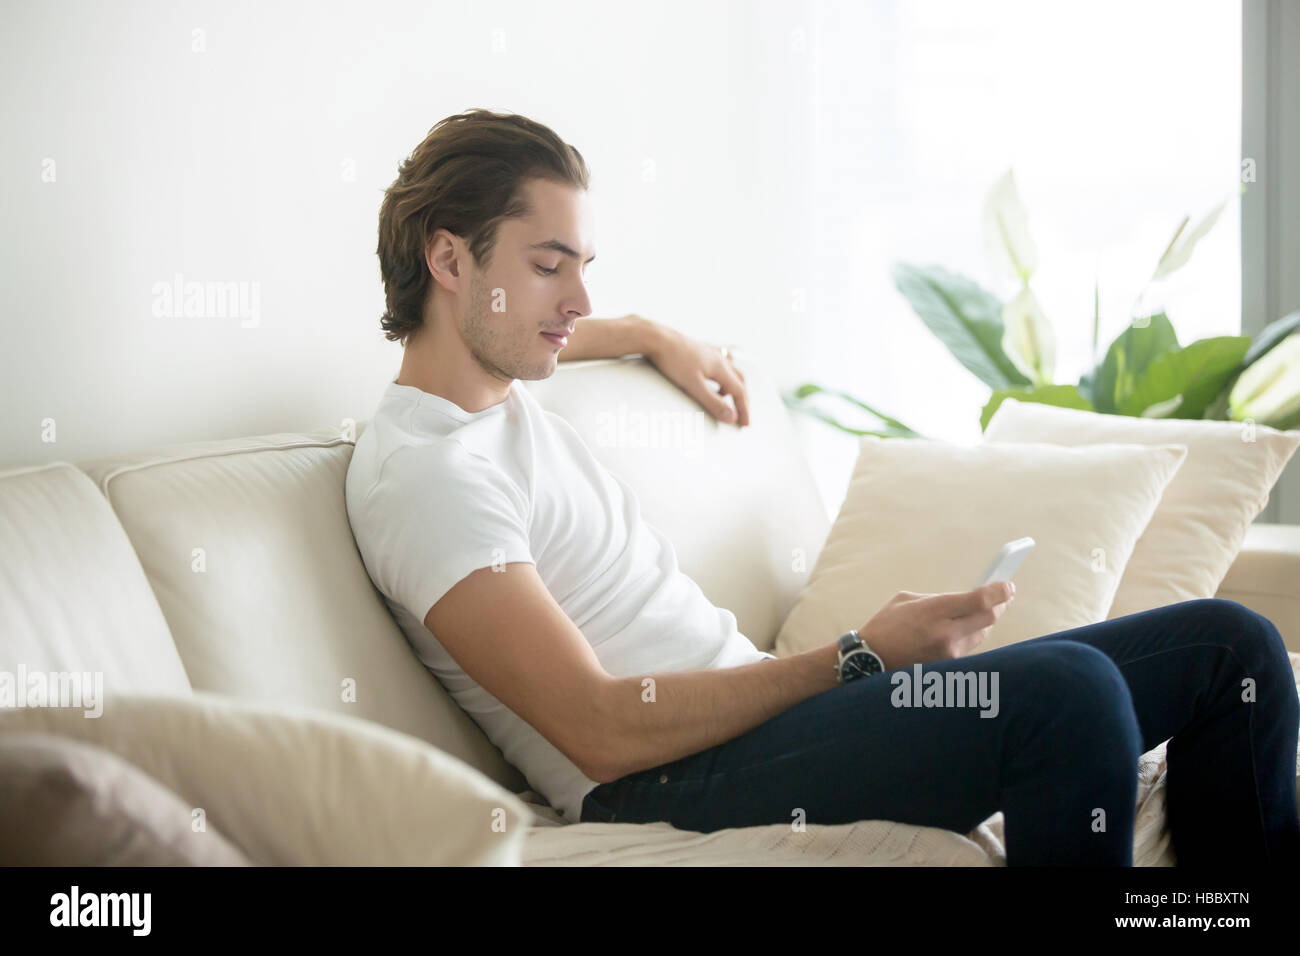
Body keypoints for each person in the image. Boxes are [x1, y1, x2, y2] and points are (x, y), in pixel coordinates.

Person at [344, 108, 1300, 866]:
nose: (578, 301)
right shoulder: (429, 479)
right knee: (1071, 693)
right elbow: (599, 730)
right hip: (666, 778)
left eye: (583, 267)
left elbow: (539, 328)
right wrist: (856, 656)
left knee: (1233, 649)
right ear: (448, 259)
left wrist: (649, 334)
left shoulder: (495, 380)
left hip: (758, 724)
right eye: (550, 266)